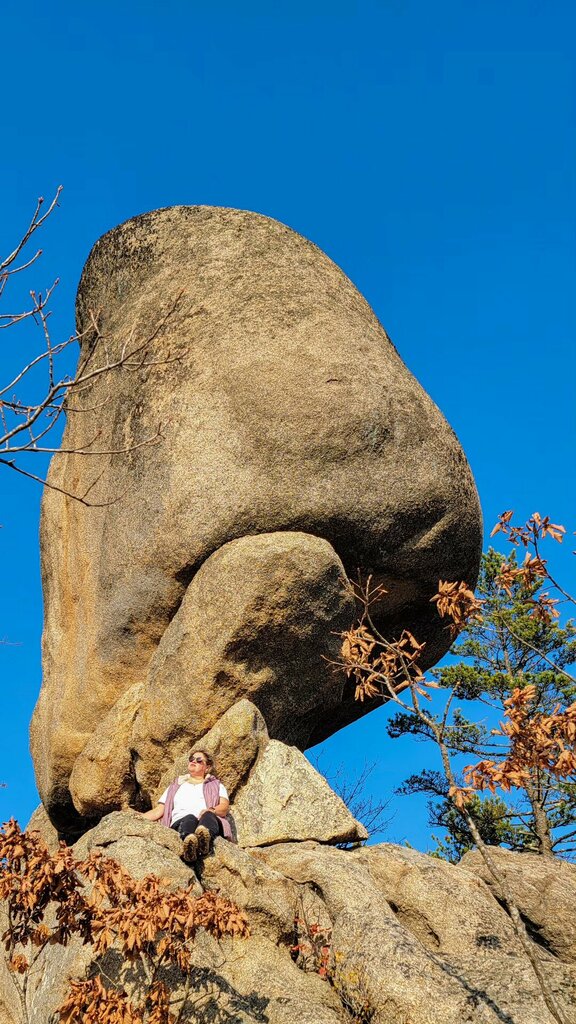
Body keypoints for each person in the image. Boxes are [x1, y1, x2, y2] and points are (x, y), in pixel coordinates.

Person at [142, 749, 232, 862]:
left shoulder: (216, 785)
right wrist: (137, 818)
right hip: (181, 822)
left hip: (206, 820)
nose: (193, 761)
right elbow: (158, 811)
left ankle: (204, 840)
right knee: (189, 818)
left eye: (199, 760)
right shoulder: (175, 786)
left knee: (208, 815)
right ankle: (190, 845)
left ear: (207, 768)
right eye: (191, 759)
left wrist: (211, 810)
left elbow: (224, 807)